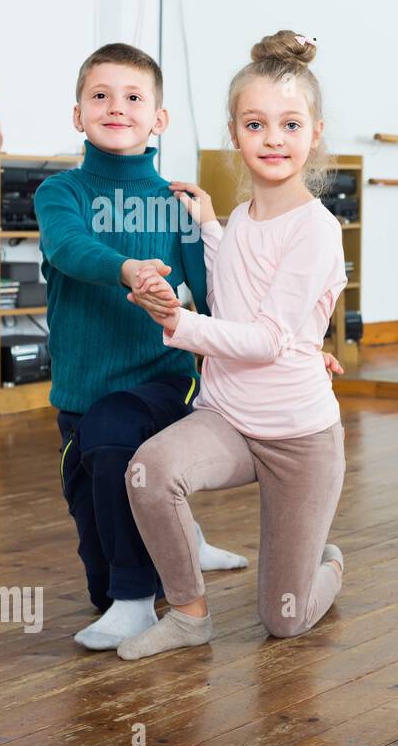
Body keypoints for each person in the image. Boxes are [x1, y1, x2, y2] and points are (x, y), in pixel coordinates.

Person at [115, 31, 347, 660]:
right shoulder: (244, 218)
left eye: (290, 124)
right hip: (228, 419)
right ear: (235, 132)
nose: (273, 138)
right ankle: (190, 615)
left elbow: (268, 339)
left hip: (300, 440)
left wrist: (178, 325)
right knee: (147, 471)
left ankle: (326, 566)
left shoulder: (318, 231)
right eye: (256, 123)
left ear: (315, 132)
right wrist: (211, 226)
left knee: (284, 621)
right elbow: (233, 292)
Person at [34, 42, 247, 651]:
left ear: (160, 119)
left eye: (133, 97)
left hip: (162, 375)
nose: (115, 107)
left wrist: (209, 228)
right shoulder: (60, 192)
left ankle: (136, 604)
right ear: (78, 113)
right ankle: (170, 549)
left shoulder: (179, 201)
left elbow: (212, 292)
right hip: (81, 387)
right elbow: (68, 249)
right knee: (99, 558)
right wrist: (128, 269)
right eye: (100, 96)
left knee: (111, 435)